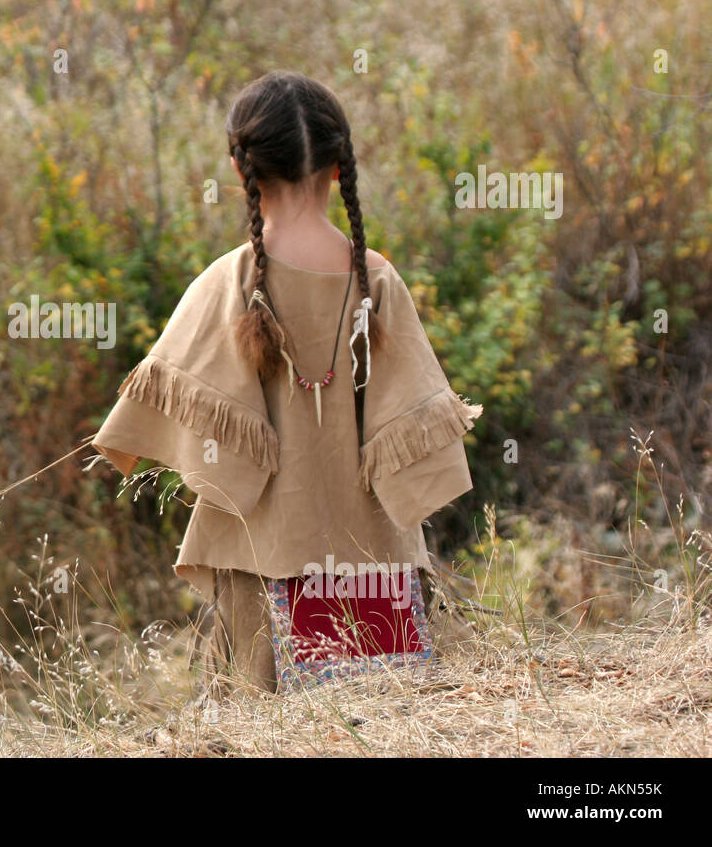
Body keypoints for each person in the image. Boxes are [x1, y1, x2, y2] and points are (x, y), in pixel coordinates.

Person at [92, 71, 482, 694]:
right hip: (370, 563)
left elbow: (151, 416)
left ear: (242, 172)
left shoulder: (226, 283)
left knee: (272, 733)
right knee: (384, 727)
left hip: (262, 555)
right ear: (337, 168)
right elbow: (420, 428)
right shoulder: (377, 282)